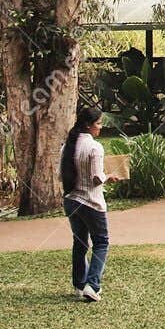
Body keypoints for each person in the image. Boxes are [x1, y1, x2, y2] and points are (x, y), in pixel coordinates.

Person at [61, 106, 121, 302]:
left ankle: (79, 284)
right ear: (88, 125)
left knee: (79, 243)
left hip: (71, 200)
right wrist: (108, 176)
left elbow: (59, 175)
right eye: (98, 123)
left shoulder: (67, 146)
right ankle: (92, 285)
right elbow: (96, 178)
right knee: (101, 243)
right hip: (91, 203)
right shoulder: (95, 147)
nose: (100, 127)